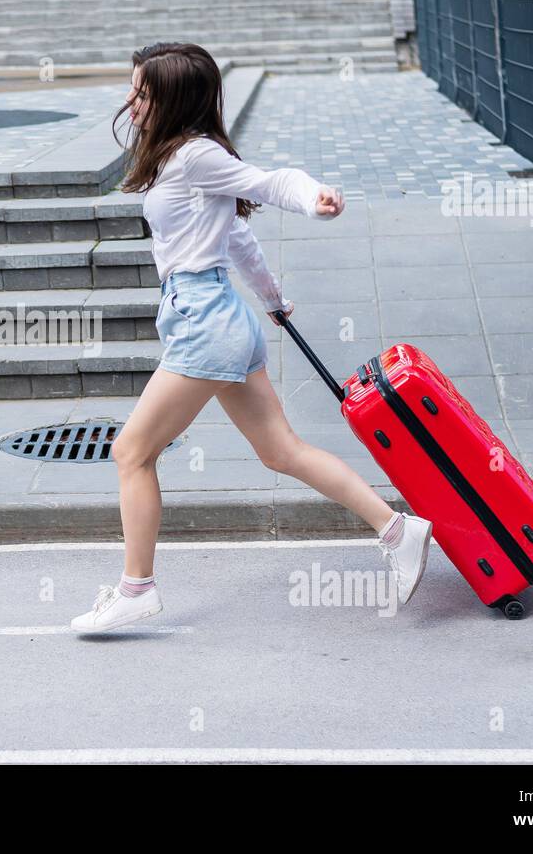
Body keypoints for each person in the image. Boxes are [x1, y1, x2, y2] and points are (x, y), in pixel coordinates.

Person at [71, 42, 432, 633]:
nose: (130, 101)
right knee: (280, 451)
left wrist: (315, 200)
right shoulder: (175, 160)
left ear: (172, 97)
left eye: (141, 90)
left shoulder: (194, 156)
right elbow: (236, 237)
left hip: (204, 323)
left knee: (131, 452)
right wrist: (273, 301)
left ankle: (136, 588)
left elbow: (272, 182)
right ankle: (398, 530)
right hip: (217, 316)